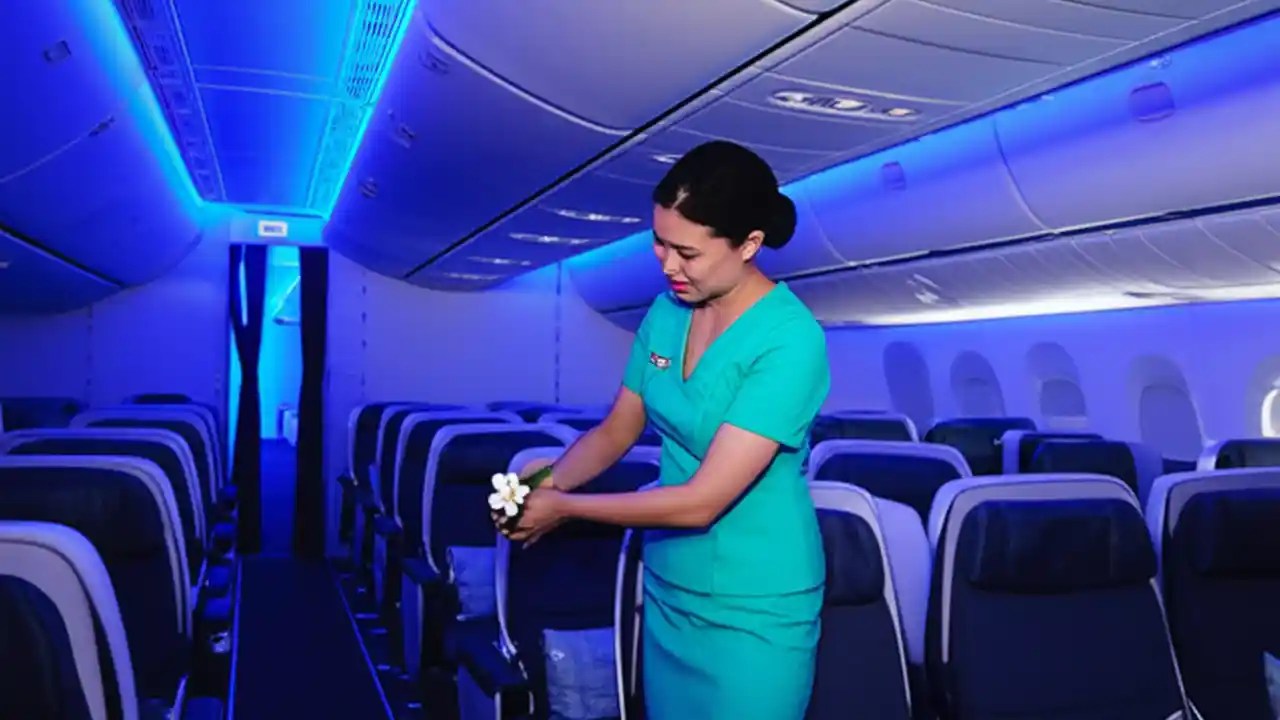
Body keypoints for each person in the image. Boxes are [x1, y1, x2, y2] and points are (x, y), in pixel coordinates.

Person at [497, 140, 831, 719]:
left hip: (756, 606)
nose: (666, 263)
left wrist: (566, 510)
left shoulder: (790, 340)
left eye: (687, 252)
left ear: (749, 245)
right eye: (659, 242)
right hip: (670, 586)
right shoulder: (666, 311)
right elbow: (615, 432)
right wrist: (543, 482)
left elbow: (703, 502)